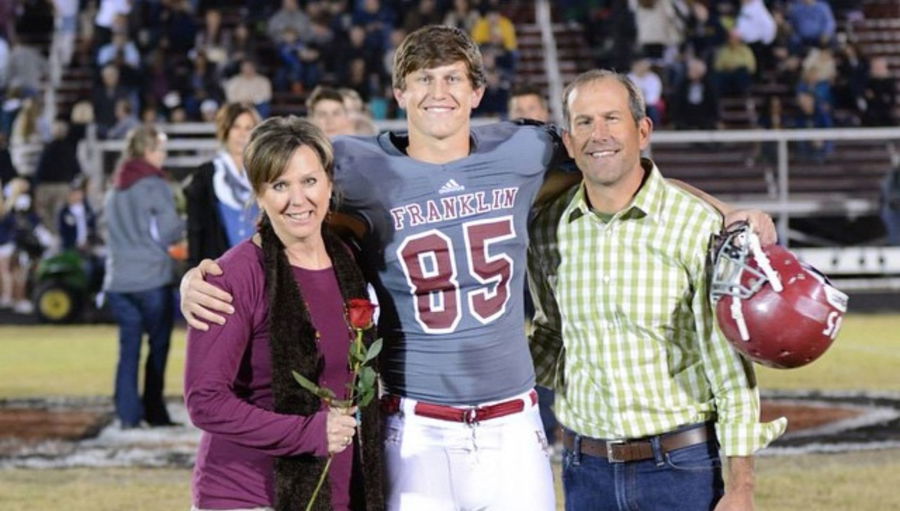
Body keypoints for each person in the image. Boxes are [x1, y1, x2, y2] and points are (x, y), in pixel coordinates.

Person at [180, 26, 774, 510]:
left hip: (512, 423)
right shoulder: (356, 165)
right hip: (414, 423)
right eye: (423, 80)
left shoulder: (520, 150)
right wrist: (207, 274)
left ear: (476, 92)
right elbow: (285, 194)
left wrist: (728, 211)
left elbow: (616, 170)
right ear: (402, 93)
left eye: (452, 79)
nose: (438, 91)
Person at [527, 70, 786, 511]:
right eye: (584, 122)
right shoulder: (548, 228)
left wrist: (741, 487)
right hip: (584, 471)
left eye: (612, 118)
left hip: (680, 469)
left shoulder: (696, 225)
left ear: (642, 130)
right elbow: (553, 336)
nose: (599, 134)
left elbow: (727, 365)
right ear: (569, 143)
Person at [184, 116, 385, 511]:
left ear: (328, 183)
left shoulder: (348, 257)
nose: (298, 199)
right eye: (280, 185)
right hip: (247, 495)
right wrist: (306, 433)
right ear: (258, 193)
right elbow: (204, 400)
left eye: (309, 181)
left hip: (334, 492)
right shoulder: (233, 277)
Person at [103, 125, 184, 429]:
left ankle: (127, 414)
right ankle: (154, 410)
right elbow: (168, 231)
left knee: (128, 349)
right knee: (158, 347)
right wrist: (181, 224)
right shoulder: (155, 185)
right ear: (148, 150)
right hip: (151, 277)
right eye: (161, 149)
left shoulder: (115, 185)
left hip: (118, 279)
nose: (164, 156)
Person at [184, 103, 261, 266]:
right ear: (225, 130)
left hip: (260, 268)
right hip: (220, 270)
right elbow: (195, 229)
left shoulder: (264, 173)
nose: (242, 134)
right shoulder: (205, 175)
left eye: (248, 128)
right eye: (236, 127)